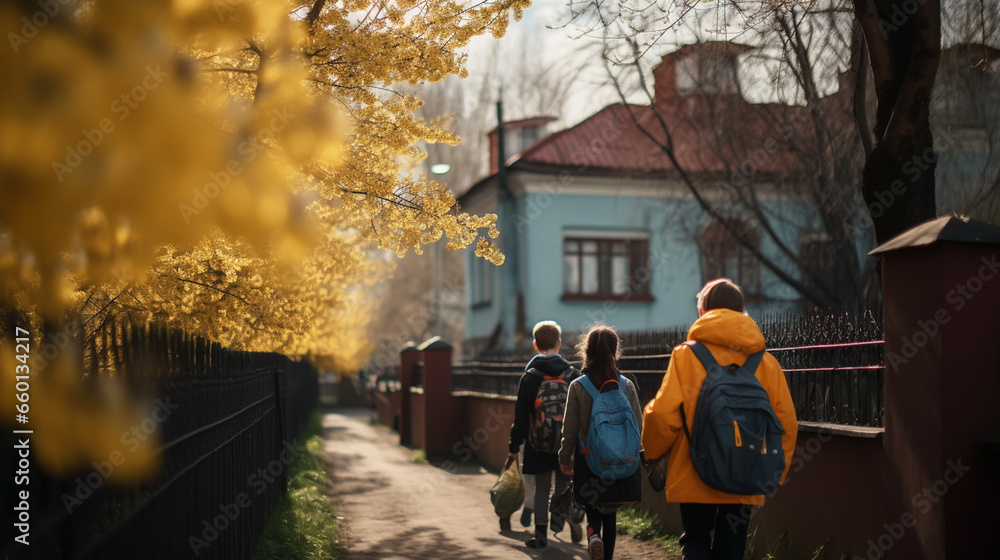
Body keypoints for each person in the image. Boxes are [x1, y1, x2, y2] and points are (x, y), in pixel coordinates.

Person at [641, 278, 798, 560]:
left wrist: (653, 452)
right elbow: (785, 421)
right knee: (732, 547)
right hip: (745, 470)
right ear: (741, 311)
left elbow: (664, 414)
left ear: (703, 311)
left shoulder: (686, 356)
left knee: (696, 542)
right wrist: (775, 471)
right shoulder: (766, 363)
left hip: (693, 470)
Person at [559, 324, 643, 560]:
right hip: (620, 460)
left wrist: (565, 459)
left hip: (588, 459)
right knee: (611, 513)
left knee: (591, 507)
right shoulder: (626, 385)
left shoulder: (577, 386)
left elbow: (570, 430)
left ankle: (593, 536)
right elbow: (638, 425)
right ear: (615, 351)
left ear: (587, 351)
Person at [507, 320, 583, 550]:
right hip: (565, 441)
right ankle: (561, 517)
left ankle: (540, 536)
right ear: (559, 344)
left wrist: (514, 446)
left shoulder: (529, 377)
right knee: (563, 482)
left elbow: (521, 417)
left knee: (541, 488)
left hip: (536, 442)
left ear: (535, 345)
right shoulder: (573, 375)